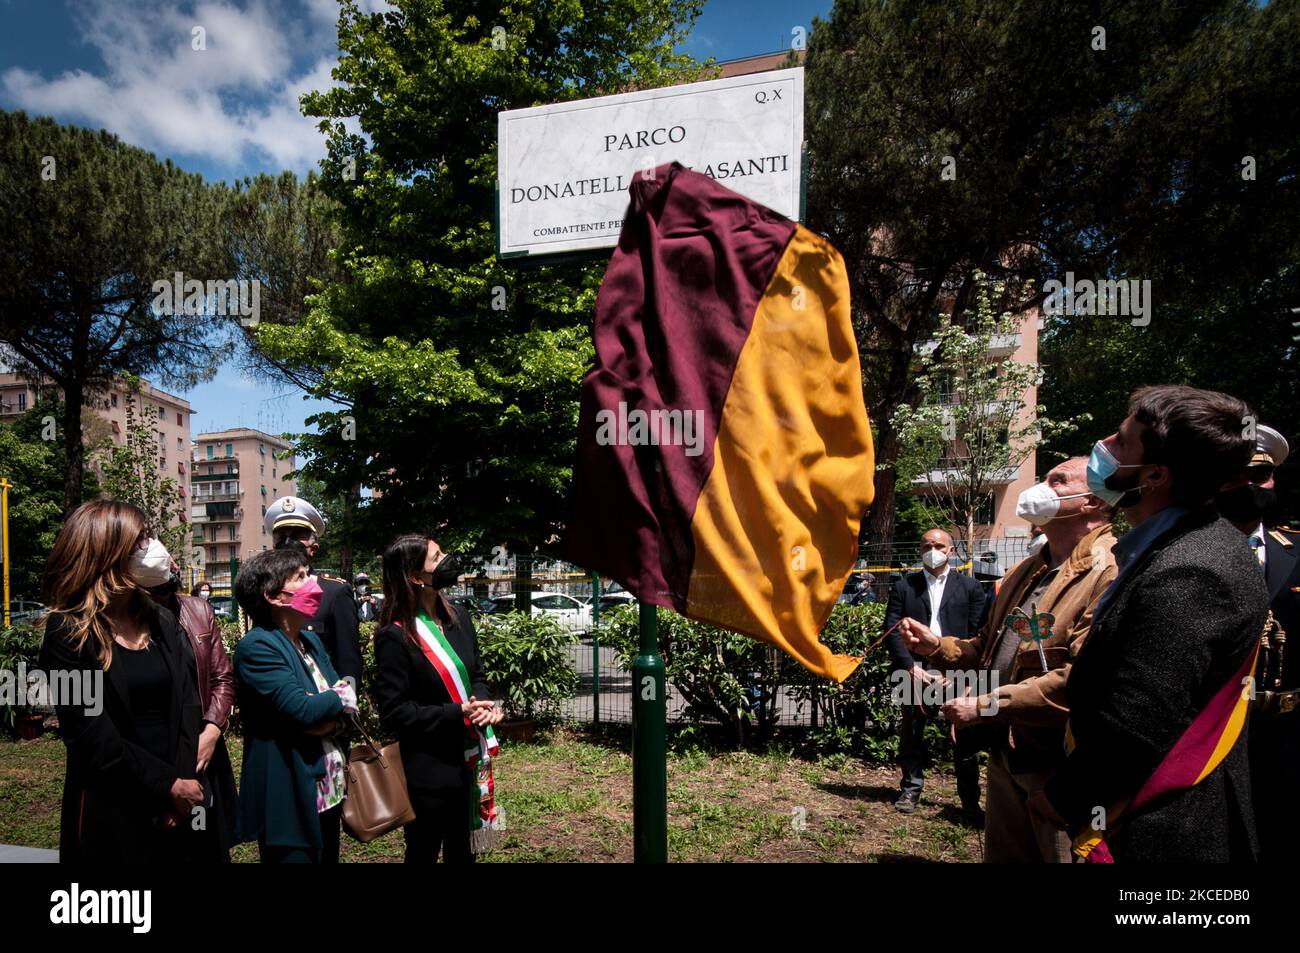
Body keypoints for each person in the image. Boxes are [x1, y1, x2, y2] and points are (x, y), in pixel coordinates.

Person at [1028, 385, 1268, 862]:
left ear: (1155, 474)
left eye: (1120, 441)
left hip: (1160, 829)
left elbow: (1136, 724)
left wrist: (1061, 799)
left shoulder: (1191, 571)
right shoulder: (1176, 547)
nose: (1104, 447)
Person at [902, 457, 1118, 861]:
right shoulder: (1025, 570)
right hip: (1007, 751)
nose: (1040, 486)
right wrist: (936, 647)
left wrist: (983, 706)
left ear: (1093, 501)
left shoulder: (1110, 571)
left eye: (1057, 480)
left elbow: (1082, 681)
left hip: (1060, 767)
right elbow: (986, 647)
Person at [38, 500, 204, 863]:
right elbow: (88, 735)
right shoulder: (67, 633)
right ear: (107, 551)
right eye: (141, 538)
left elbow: (189, 706)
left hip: (177, 809)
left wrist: (181, 785)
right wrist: (166, 786)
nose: (153, 547)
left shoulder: (161, 621)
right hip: (111, 810)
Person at [373, 534, 503, 863]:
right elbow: (395, 712)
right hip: (429, 772)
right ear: (416, 577)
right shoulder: (395, 635)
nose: (447, 560)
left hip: (472, 764)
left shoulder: (459, 616)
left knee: (468, 852)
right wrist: (457, 712)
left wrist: (486, 707)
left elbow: (477, 676)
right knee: (423, 852)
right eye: (436, 557)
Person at [232, 547, 358, 863]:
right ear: (275, 596)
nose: (313, 582)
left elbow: (341, 708)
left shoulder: (310, 640)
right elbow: (305, 709)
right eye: (301, 577)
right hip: (287, 794)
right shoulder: (257, 646)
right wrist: (339, 697)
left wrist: (333, 711)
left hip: (327, 790)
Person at [1216, 423, 1299, 860]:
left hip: (1286, 736)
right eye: (1237, 476)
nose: (1250, 486)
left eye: (1259, 476)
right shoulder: (1185, 553)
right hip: (1215, 731)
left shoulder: (1296, 552)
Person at [140, 545, 238, 861]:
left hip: (203, 750)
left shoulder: (198, 611)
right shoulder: (130, 623)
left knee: (205, 838)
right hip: (160, 756)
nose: (169, 564)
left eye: (170, 558)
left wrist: (211, 732)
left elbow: (223, 679)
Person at [883, 528, 987, 820]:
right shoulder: (904, 586)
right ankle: (911, 789)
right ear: (920, 550)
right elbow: (891, 629)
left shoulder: (971, 587)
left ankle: (969, 800)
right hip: (914, 670)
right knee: (911, 732)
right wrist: (910, 665)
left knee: (965, 735)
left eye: (939, 545)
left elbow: (978, 634)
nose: (933, 549)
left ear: (951, 551)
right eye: (927, 545)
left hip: (959, 673)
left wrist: (955, 671)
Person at [264, 496, 363, 689]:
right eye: (281, 534)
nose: (287, 541)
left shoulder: (334, 592)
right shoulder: (263, 591)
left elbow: (348, 660)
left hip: (324, 702)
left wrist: (347, 707)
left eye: (296, 534)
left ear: (314, 548)